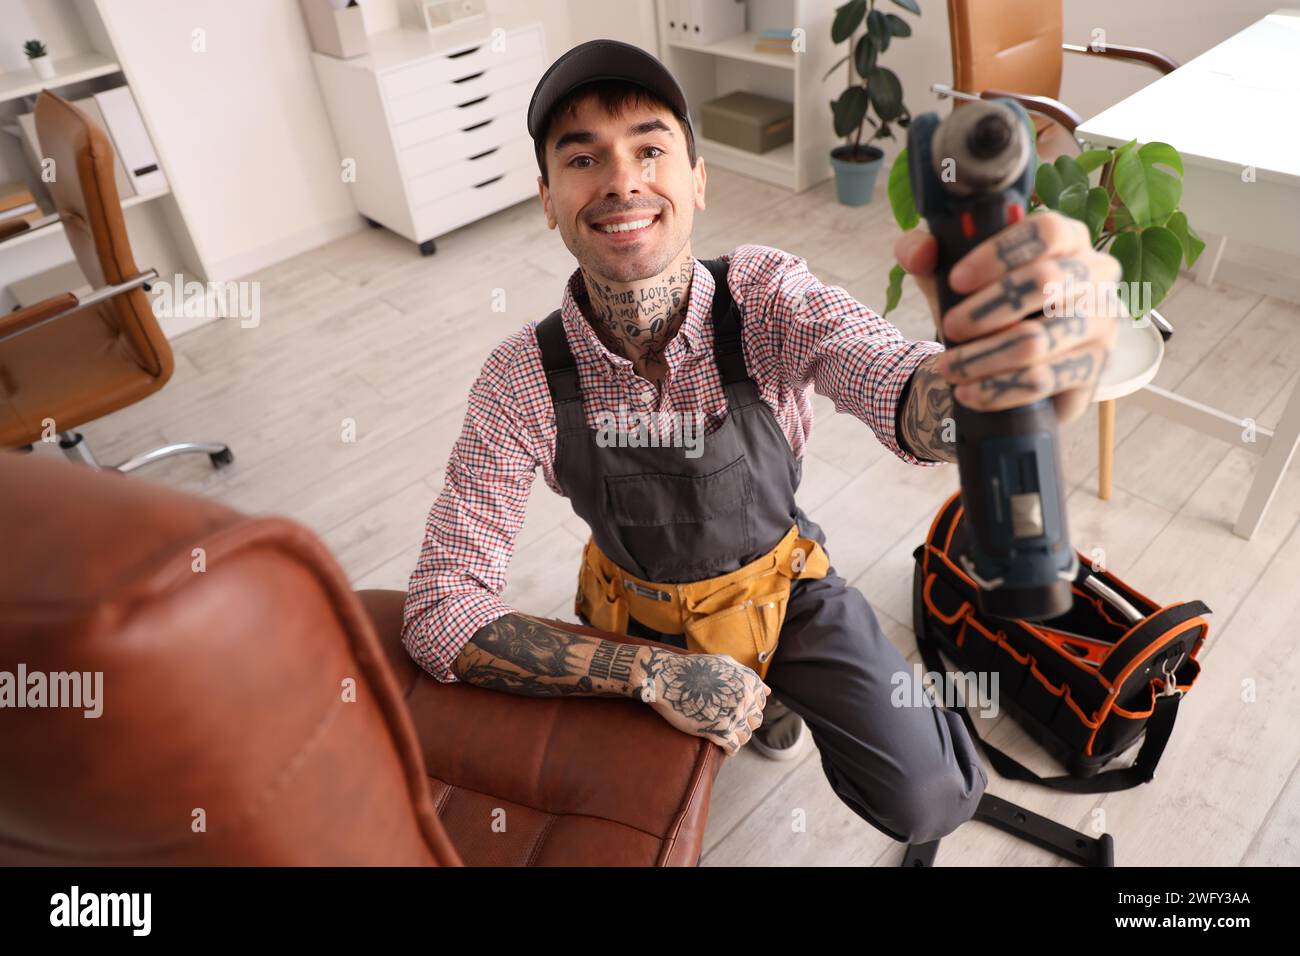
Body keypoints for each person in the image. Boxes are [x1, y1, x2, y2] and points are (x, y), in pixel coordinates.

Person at [401, 39, 1119, 846]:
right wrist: (650, 675)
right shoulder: (521, 377)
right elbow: (439, 610)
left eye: (650, 147)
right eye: (583, 158)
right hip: (630, 619)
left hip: (782, 593)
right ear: (547, 198)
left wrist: (996, 384)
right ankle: (733, 691)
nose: (621, 179)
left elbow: (895, 380)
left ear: (697, 180)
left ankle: (776, 690)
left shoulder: (766, 297)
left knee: (932, 798)